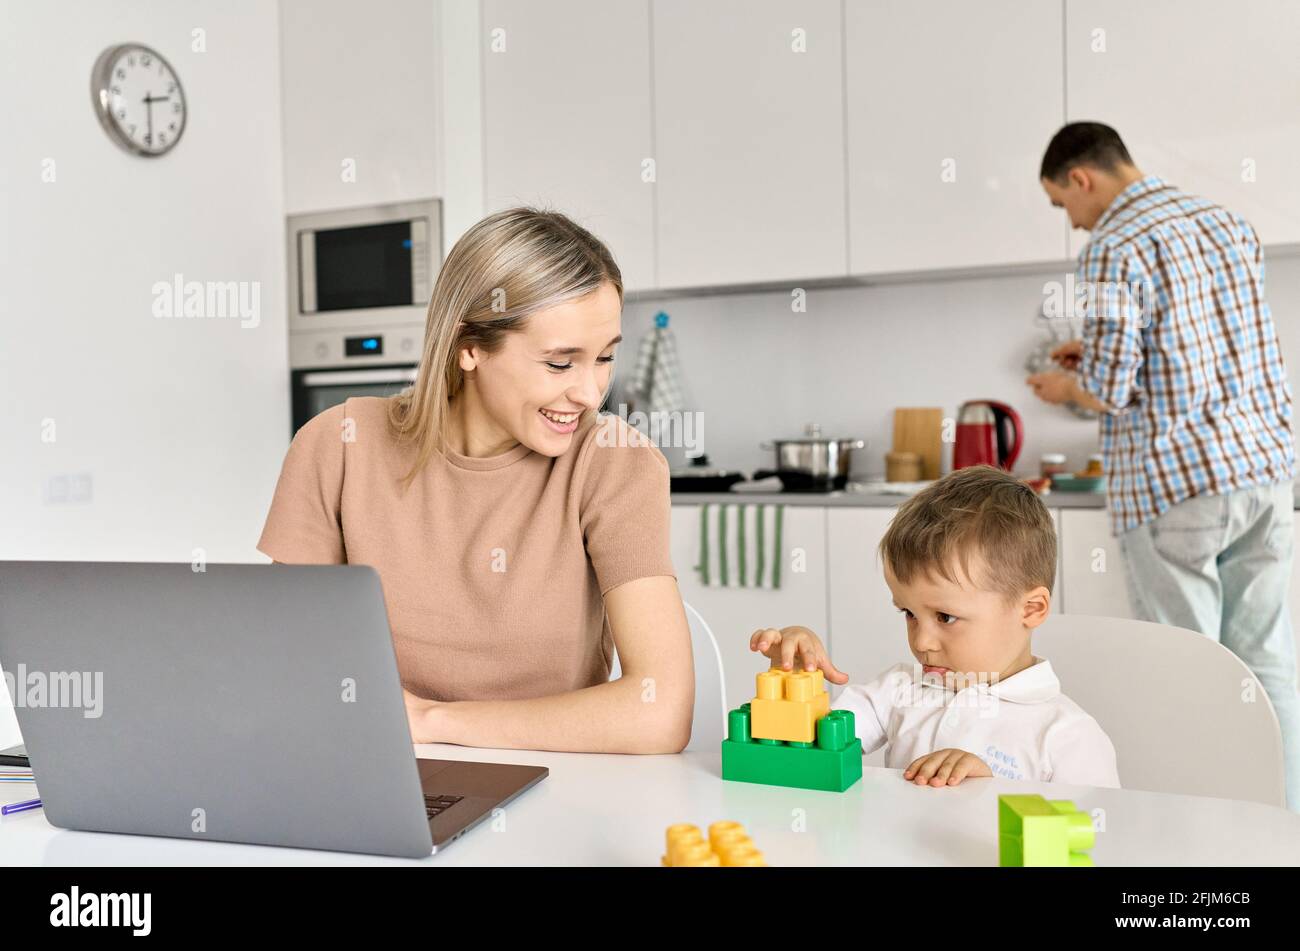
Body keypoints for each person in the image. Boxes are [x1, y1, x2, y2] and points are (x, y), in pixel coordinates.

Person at [257, 207, 694, 754]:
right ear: (469, 347)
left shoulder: (613, 463)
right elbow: (284, 662)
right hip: (372, 768)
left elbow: (661, 710)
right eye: (561, 364)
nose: (590, 393)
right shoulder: (337, 445)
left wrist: (435, 722)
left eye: (604, 357)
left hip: (560, 782)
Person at [1027, 121, 1299, 810]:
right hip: (1264, 474)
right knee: (1264, 665)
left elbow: (1113, 392)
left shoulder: (1114, 245)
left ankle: (1198, 831)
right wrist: (1093, 357)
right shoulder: (1226, 222)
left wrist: (1068, 387)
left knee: (1185, 671)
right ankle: (1280, 823)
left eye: (1065, 206)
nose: (1074, 223)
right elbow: (1196, 356)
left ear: (1081, 180)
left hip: (1178, 487)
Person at [750, 465, 1120, 789]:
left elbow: (1098, 840)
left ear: (1031, 609)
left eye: (945, 617)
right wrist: (797, 680)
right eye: (909, 613)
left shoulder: (1067, 735)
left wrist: (992, 789)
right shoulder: (897, 691)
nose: (922, 641)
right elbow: (813, 750)